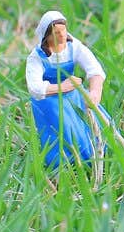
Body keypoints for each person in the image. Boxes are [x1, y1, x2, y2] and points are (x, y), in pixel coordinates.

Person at [24, 10, 109, 170]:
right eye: (57, 33)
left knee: (91, 120)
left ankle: (96, 152)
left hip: (73, 94)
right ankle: (66, 162)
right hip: (49, 100)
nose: (62, 35)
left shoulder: (73, 46)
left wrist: (94, 93)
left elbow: (95, 69)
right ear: (47, 35)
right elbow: (34, 88)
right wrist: (61, 87)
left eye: (63, 30)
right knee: (64, 127)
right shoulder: (36, 57)